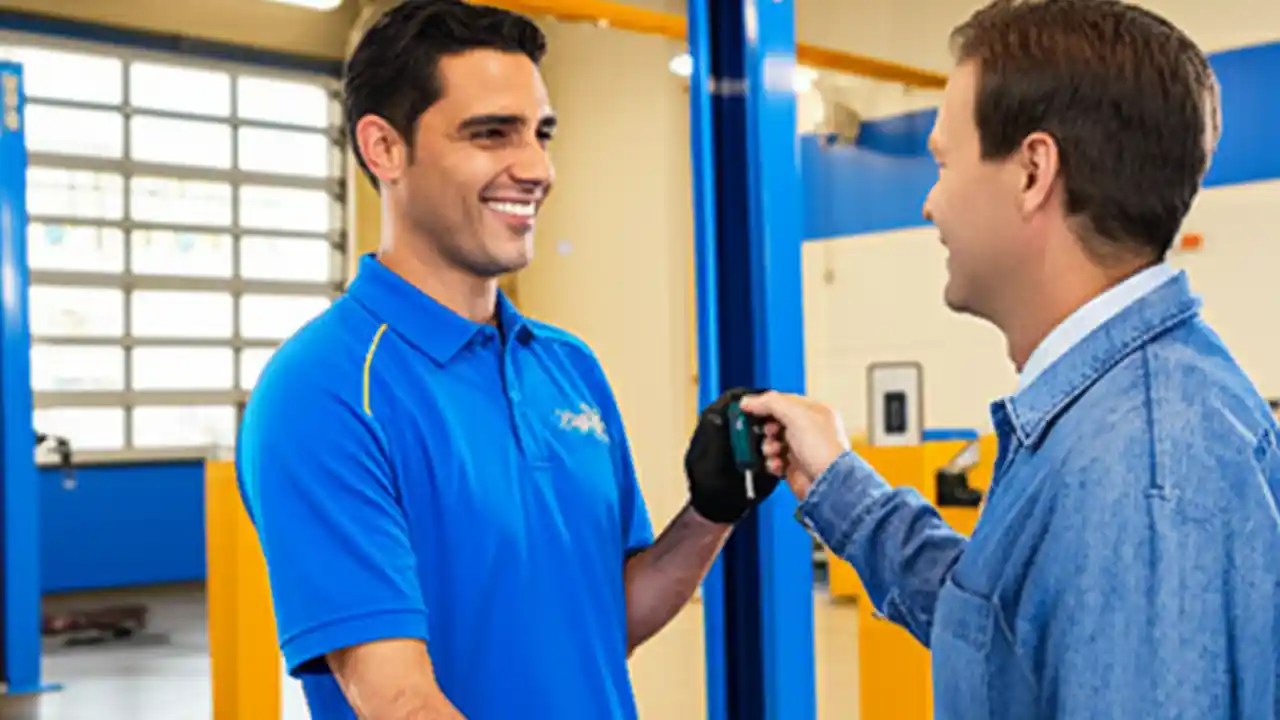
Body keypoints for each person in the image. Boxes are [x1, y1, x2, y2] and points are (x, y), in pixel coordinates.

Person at [234, 2, 777, 718]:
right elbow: (399, 701)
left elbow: (605, 625)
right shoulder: (324, 391)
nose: (537, 168)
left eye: (541, 134)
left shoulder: (566, 367)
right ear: (384, 149)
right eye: (492, 135)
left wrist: (710, 513)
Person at [743, 0, 1279, 717]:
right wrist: (844, 489)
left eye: (942, 163)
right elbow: (1005, 638)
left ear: (1032, 170)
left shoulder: (1142, 472)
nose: (930, 204)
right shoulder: (1112, 421)